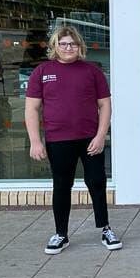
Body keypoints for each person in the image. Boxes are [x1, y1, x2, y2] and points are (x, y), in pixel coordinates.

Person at [25, 25, 121, 255]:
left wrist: (100, 136)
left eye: (73, 44)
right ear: (55, 47)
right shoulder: (42, 71)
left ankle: (105, 228)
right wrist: (35, 141)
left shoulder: (92, 71)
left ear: (80, 46)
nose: (68, 48)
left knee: (97, 183)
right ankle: (61, 234)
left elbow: (105, 105)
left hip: (90, 139)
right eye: (63, 44)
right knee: (61, 186)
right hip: (58, 140)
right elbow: (32, 108)